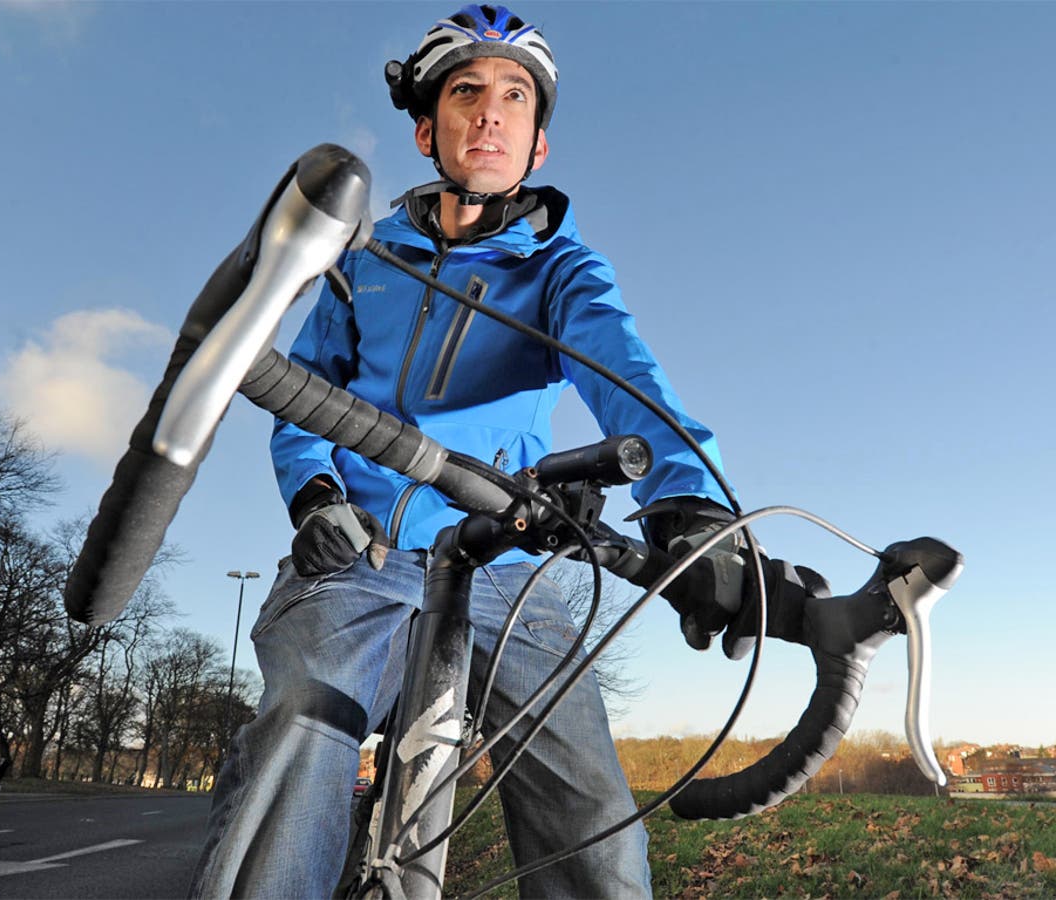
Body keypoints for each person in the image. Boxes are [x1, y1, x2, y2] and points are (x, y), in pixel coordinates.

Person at [191, 5, 826, 897]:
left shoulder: (564, 270)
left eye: (514, 97)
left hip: (503, 563)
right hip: (359, 554)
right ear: (426, 128)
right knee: (305, 720)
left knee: (592, 813)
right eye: (466, 92)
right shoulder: (362, 261)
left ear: (537, 147)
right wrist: (316, 497)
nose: (490, 112)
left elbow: (627, 374)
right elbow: (301, 398)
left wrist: (691, 509)